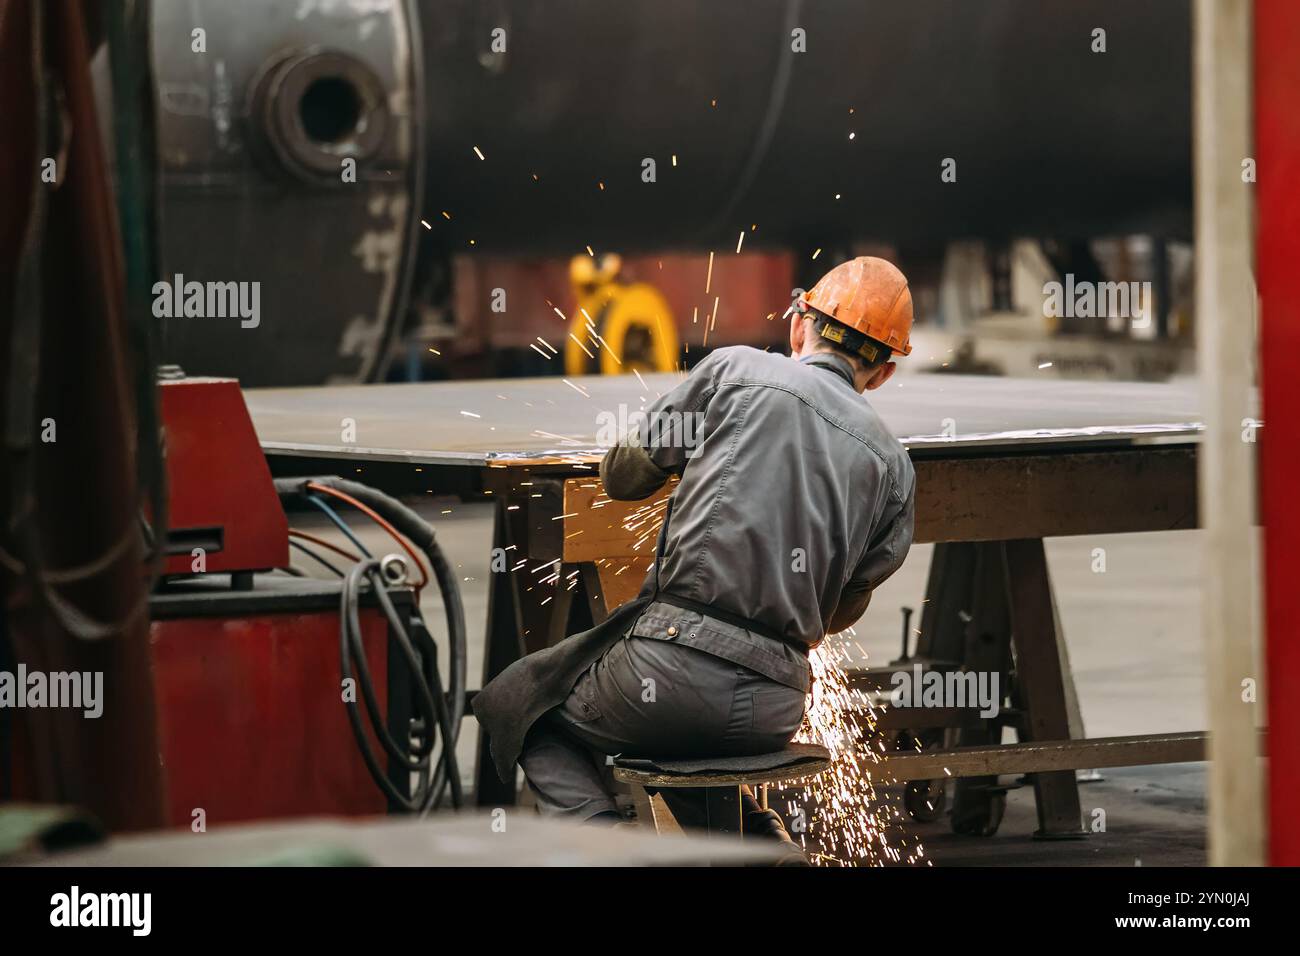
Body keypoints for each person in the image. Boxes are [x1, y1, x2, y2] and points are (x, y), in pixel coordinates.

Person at [473, 256, 918, 857]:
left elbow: (624, 477)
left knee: (519, 704)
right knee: (694, 753)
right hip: (778, 702)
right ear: (884, 373)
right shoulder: (894, 466)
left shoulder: (735, 370)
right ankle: (772, 856)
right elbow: (839, 612)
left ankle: (613, 852)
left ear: (798, 327)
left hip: (666, 672)